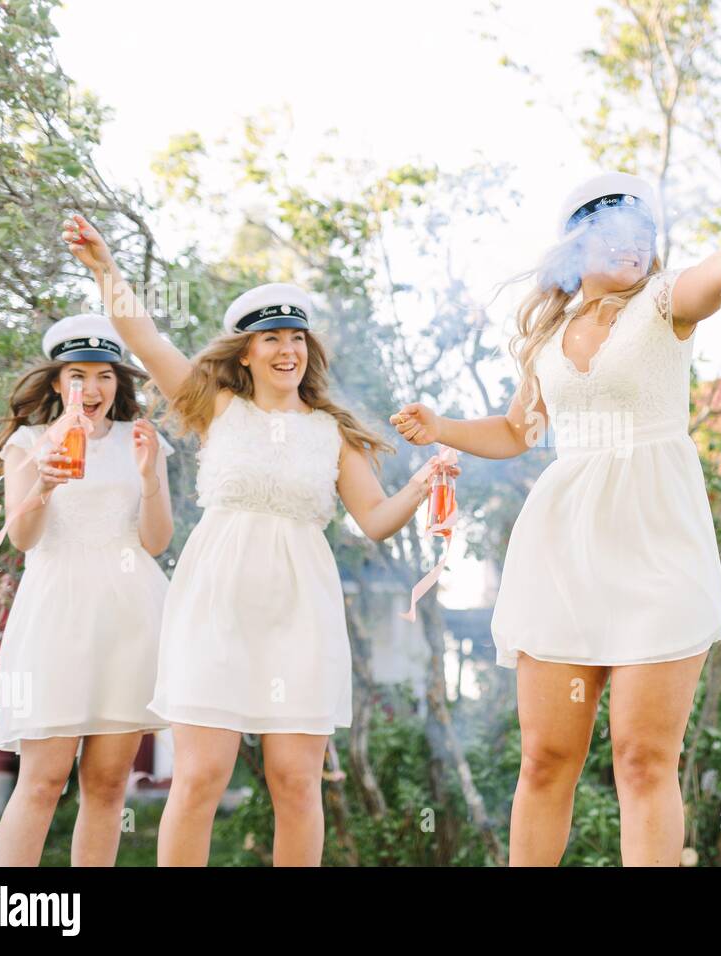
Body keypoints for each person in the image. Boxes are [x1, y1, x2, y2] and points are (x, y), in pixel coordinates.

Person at [391, 167, 721, 865]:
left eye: (643, 233)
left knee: (645, 759)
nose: (633, 246)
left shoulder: (664, 303)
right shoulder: (548, 335)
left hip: (658, 545)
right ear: (576, 246)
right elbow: (516, 432)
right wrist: (440, 424)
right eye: (615, 234)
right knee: (546, 759)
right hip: (564, 548)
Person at [61, 213, 455, 865]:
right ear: (245, 351)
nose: (286, 350)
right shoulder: (217, 407)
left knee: (297, 783)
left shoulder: (333, 431)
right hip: (217, 602)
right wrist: (105, 268)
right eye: (271, 337)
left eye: (295, 337)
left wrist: (426, 480)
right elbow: (145, 337)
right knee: (199, 778)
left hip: (301, 611)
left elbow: (377, 519)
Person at [0, 313, 175, 866]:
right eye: (78, 375)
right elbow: (23, 538)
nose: (91, 389)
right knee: (43, 780)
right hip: (56, 616)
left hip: (130, 619)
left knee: (109, 785)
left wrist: (148, 477)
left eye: (104, 375)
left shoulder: (141, 439)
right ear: (56, 381)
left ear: (119, 382)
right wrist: (43, 481)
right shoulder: (28, 442)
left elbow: (155, 541)